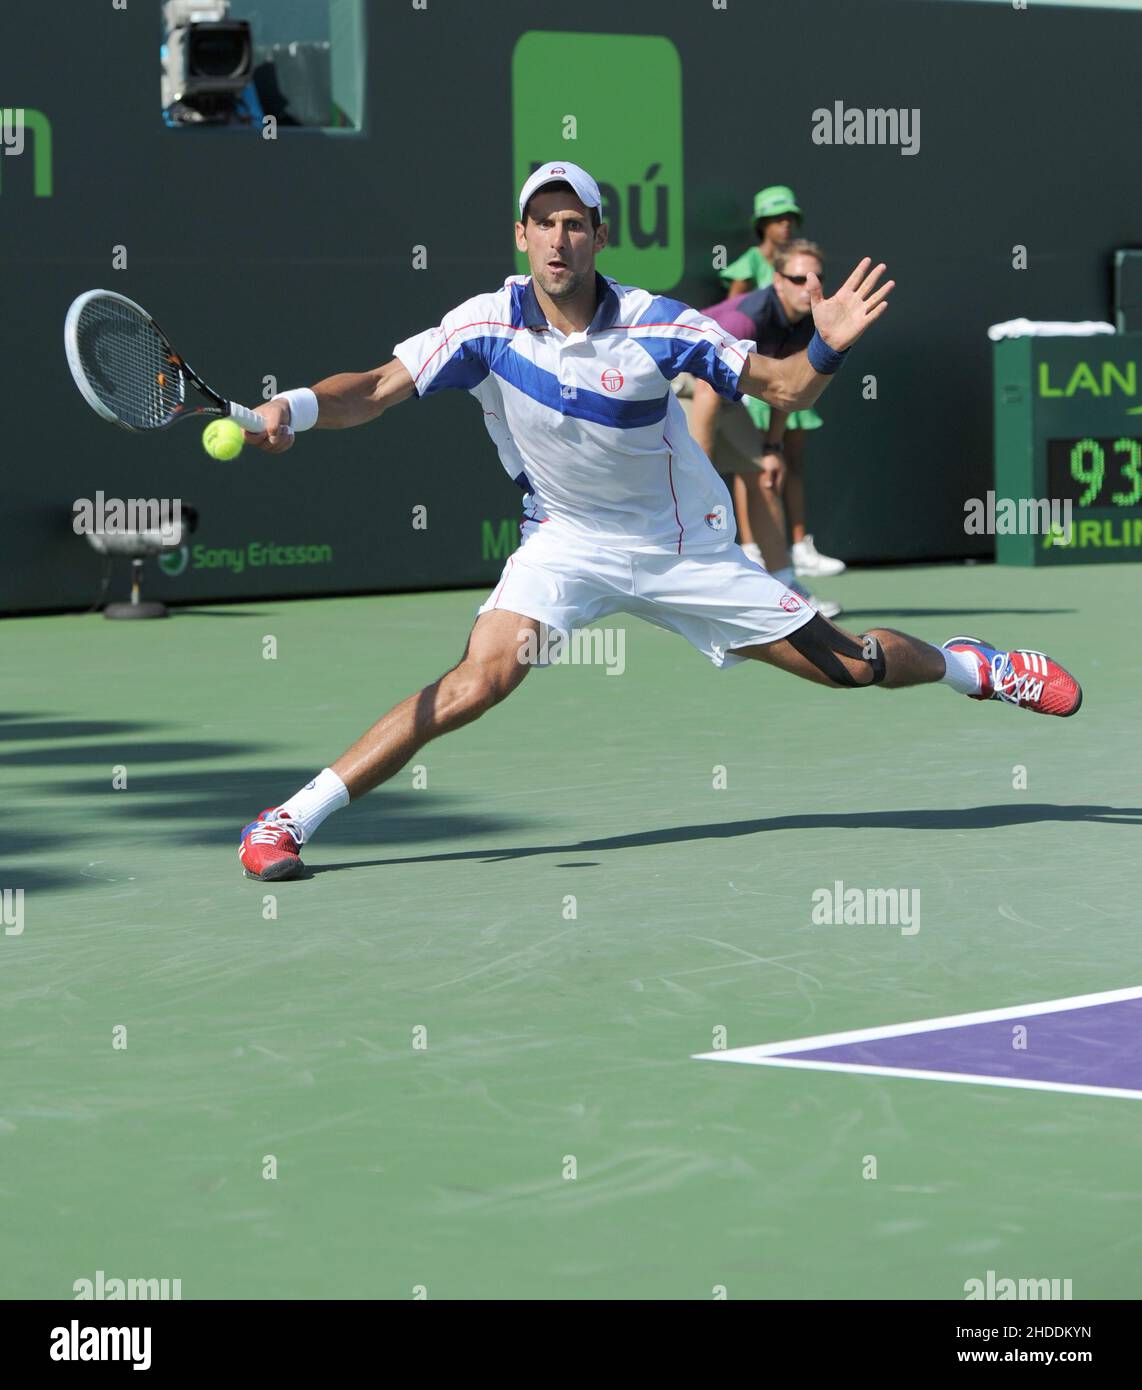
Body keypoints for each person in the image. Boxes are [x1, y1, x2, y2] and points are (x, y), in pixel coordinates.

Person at [235, 160, 1082, 882]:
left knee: (851, 668)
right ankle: (290, 820)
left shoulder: (659, 324)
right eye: (544, 223)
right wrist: (295, 408)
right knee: (475, 683)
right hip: (564, 542)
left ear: (600, 235)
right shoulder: (482, 325)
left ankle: (973, 666)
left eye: (575, 223)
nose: (559, 239)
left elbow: (784, 387)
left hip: (683, 546)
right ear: (521, 236)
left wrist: (825, 346)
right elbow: (377, 388)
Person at [678, 239, 840, 615]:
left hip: (724, 391)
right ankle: (677, 596)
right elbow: (705, 387)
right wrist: (700, 462)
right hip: (681, 383)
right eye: (797, 279)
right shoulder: (746, 317)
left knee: (762, 476)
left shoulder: (807, 321)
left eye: (815, 279)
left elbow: (789, 390)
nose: (807, 287)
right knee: (684, 488)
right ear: (777, 280)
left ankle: (785, 586)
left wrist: (771, 447)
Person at [722, 189, 844, 579]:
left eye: (790, 217)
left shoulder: (805, 313)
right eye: (777, 218)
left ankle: (796, 548)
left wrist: (773, 441)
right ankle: (751, 547)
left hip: (782, 374)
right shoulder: (746, 307)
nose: (785, 224)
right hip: (740, 377)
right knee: (751, 466)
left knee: (783, 461)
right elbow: (731, 326)